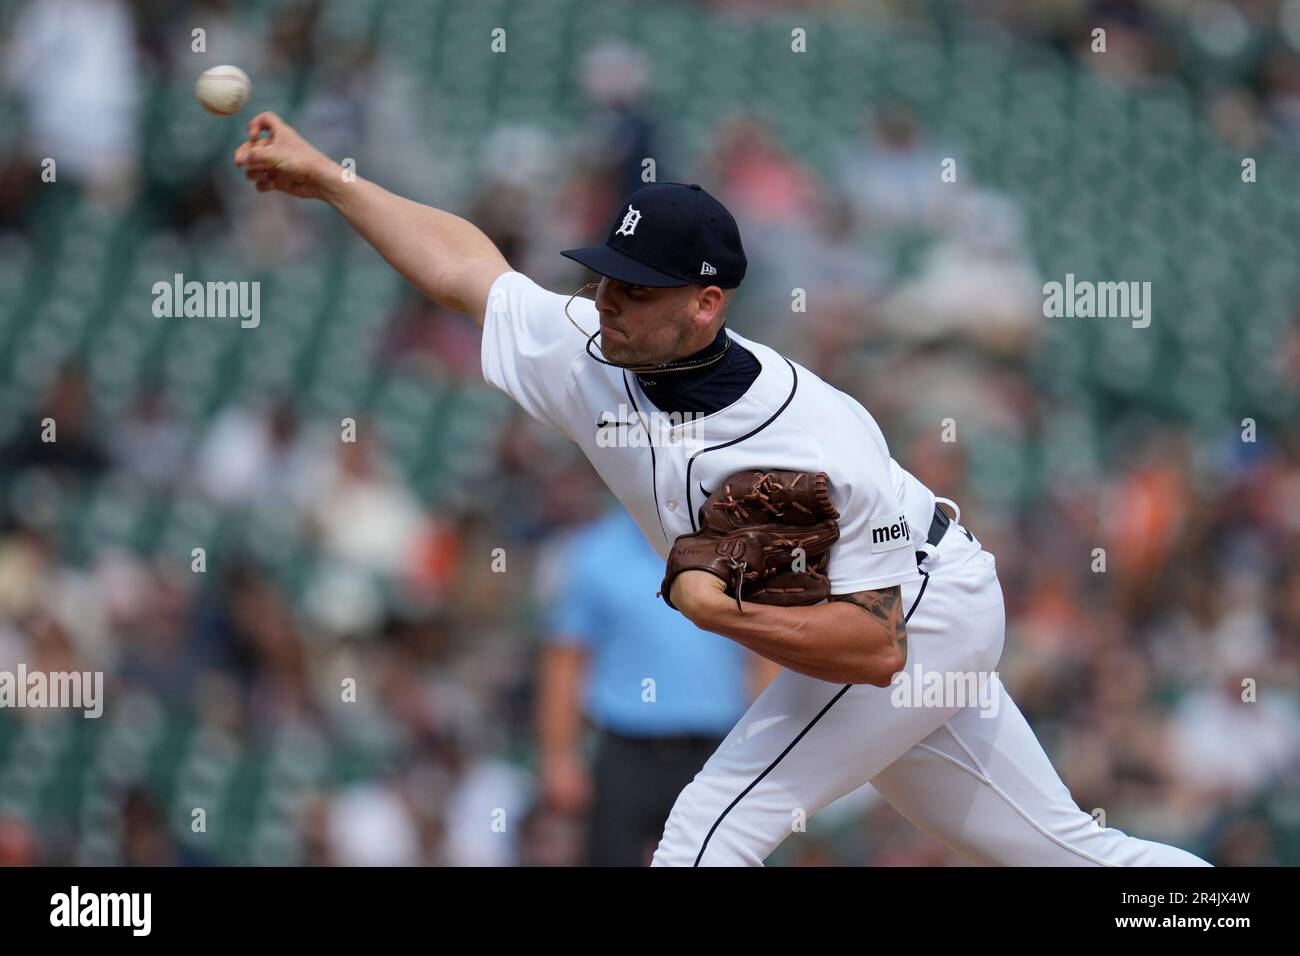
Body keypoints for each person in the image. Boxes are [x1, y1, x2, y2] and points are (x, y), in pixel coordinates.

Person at [233, 112, 1210, 867]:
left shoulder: (791, 450)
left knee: (710, 822)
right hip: (904, 613)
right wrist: (330, 179)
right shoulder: (595, 349)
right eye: (606, 278)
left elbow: (871, 647)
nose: (608, 302)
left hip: (915, 616)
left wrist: (723, 608)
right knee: (1066, 852)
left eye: (637, 290)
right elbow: (467, 271)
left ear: (706, 303)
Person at [538, 505, 778, 866]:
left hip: (716, 750)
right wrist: (559, 758)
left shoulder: (735, 550)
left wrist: (767, 747)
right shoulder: (595, 552)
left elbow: (764, 655)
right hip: (626, 749)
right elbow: (566, 661)